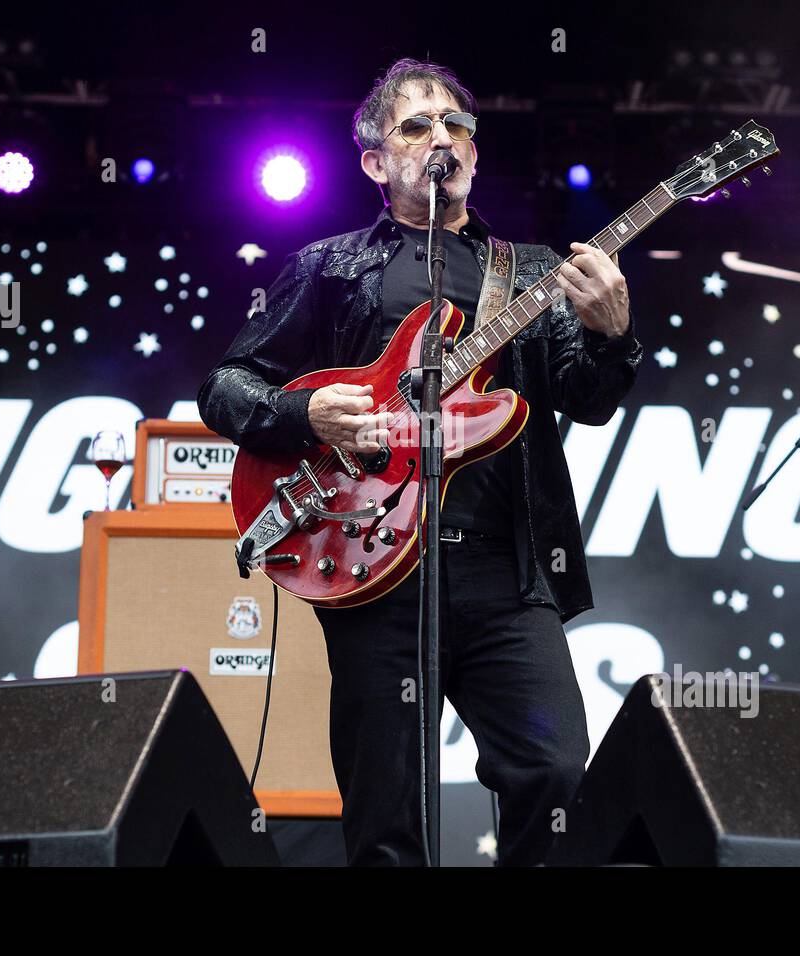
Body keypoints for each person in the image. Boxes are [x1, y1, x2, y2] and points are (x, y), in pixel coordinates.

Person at [197, 58, 643, 866]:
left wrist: (613, 334)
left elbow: (589, 398)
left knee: (555, 775)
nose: (442, 138)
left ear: (475, 152)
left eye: (456, 126)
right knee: (387, 815)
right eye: (416, 126)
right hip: (377, 566)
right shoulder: (332, 266)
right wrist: (305, 412)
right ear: (375, 161)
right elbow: (225, 385)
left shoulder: (534, 272)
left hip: (507, 573)